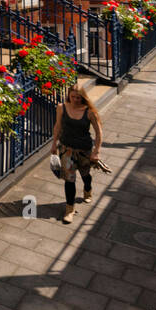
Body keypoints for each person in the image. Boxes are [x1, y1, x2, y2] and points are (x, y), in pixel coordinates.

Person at [50, 85, 103, 223]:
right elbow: (58, 126)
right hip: (66, 149)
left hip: (84, 150)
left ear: (83, 97)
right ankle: (69, 209)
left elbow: (99, 133)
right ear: (69, 95)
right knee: (69, 179)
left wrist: (96, 152)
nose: (75, 100)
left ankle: (88, 189)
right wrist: (53, 144)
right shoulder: (61, 107)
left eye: (78, 97)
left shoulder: (90, 112)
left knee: (85, 175)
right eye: (73, 97)